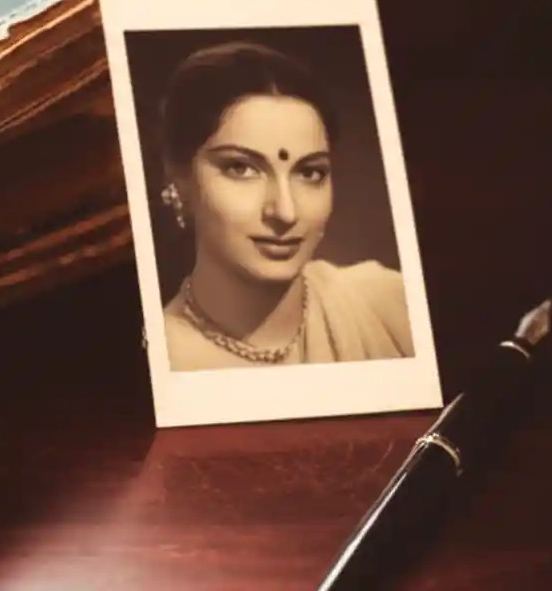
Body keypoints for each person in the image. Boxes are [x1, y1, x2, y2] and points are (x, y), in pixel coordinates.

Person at [153, 40, 414, 371]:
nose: (286, 212)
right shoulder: (163, 361)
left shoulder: (388, 303)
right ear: (179, 180)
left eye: (309, 172)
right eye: (241, 168)